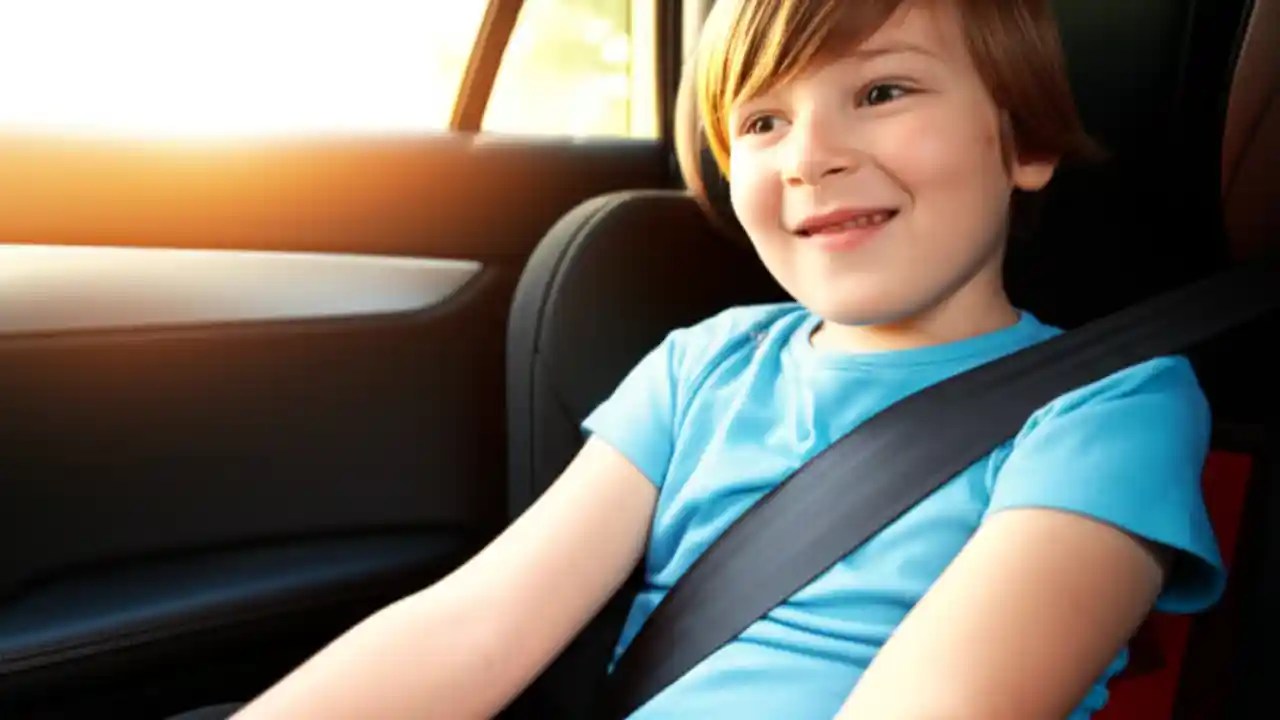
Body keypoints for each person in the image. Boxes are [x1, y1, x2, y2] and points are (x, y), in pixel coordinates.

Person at [231, 0, 1224, 717]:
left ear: (1024, 145)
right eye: (761, 122)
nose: (808, 155)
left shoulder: (1108, 406)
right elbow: (473, 628)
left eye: (880, 91)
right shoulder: (699, 369)